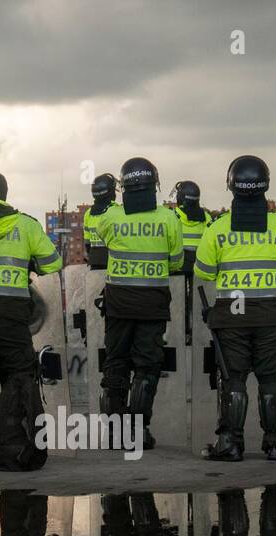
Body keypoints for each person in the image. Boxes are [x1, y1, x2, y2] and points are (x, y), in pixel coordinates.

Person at [193, 155, 276, 461]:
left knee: (234, 379)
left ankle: (229, 444)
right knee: (271, 379)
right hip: (270, 316)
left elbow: (204, 271)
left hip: (231, 317)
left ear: (231, 185)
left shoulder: (217, 229)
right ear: (265, 185)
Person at [0, 170, 63, 470]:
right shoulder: (26, 225)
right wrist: (27, 264)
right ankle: (13, 445)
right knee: (18, 376)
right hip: (13, 313)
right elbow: (53, 263)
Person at [93, 157, 185, 449]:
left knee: (115, 362)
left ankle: (114, 432)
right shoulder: (169, 219)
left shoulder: (110, 218)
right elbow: (177, 262)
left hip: (118, 304)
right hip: (152, 304)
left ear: (123, 186)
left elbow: (102, 246)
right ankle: (138, 431)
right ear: (154, 184)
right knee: (147, 366)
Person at [83, 174, 119, 271]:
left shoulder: (88, 214)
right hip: (113, 260)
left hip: (95, 261)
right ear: (111, 192)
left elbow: (87, 242)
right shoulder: (116, 211)